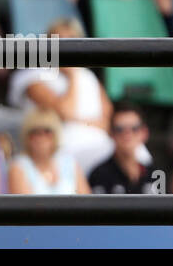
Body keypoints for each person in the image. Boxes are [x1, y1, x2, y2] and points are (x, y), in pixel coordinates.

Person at [8, 19, 116, 174]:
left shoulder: (89, 77)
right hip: (60, 147)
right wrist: (72, 75)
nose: (66, 45)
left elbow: (107, 121)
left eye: (72, 39)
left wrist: (78, 120)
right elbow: (64, 112)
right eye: (59, 40)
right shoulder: (33, 75)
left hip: (101, 144)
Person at [8, 108, 91, 195]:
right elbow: (25, 206)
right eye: (35, 132)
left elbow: (87, 201)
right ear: (27, 137)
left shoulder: (69, 163)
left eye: (47, 132)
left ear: (55, 135)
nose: (41, 138)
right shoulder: (19, 167)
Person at [88, 103, 157, 194]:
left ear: (144, 133)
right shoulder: (99, 175)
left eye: (134, 128)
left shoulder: (155, 174)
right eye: (119, 129)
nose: (127, 134)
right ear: (111, 133)